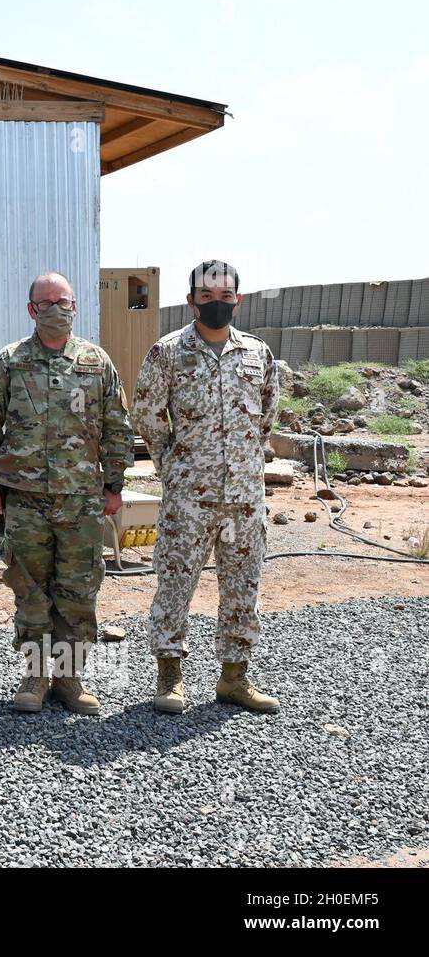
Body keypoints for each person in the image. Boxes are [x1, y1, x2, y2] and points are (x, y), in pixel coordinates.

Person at [0, 271, 132, 715]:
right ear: (31, 310)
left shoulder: (96, 362)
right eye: (47, 303)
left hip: (80, 498)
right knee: (30, 588)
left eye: (65, 302)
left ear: (75, 307)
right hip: (25, 497)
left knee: (79, 589)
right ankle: (36, 675)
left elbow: (117, 425)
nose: (58, 309)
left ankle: (69, 677)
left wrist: (114, 483)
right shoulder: (10, 362)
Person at [131, 260, 280, 714]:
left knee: (242, 587)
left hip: (244, 501)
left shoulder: (258, 353)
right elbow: (149, 416)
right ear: (191, 297)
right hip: (187, 501)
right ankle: (169, 677)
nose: (217, 303)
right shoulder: (168, 352)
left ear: (239, 298)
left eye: (226, 295)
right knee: (175, 584)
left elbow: (267, 416)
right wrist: (174, 466)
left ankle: (234, 677)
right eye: (207, 295)